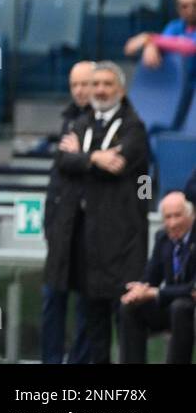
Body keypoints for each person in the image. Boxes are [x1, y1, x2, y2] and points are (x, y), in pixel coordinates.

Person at [47, 61, 151, 363]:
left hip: (122, 243)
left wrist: (81, 158)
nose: (100, 90)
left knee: (127, 321)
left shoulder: (133, 125)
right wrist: (94, 158)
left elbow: (121, 163)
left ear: (120, 89)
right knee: (93, 326)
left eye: (107, 84)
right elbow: (62, 163)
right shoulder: (81, 124)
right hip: (87, 244)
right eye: (96, 85)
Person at [41, 61, 97, 364]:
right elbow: (60, 175)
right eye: (74, 84)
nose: (79, 90)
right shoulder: (68, 120)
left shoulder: (108, 122)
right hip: (61, 225)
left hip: (88, 227)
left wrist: (82, 156)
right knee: (52, 298)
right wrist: (49, 221)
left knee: (87, 305)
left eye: (85, 84)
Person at [118, 192, 195, 364]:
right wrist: (140, 289)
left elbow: (193, 288)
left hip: (189, 306)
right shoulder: (162, 237)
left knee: (180, 308)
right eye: (168, 217)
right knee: (130, 307)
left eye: (178, 215)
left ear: (191, 215)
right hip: (171, 301)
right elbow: (151, 275)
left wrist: (156, 292)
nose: (173, 222)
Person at [125, 0, 196, 68]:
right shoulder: (175, 26)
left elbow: (191, 47)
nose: (190, 10)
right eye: (184, 6)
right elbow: (165, 42)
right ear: (177, 7)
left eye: (195, 4)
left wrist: (148, 38)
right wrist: (151, 45)